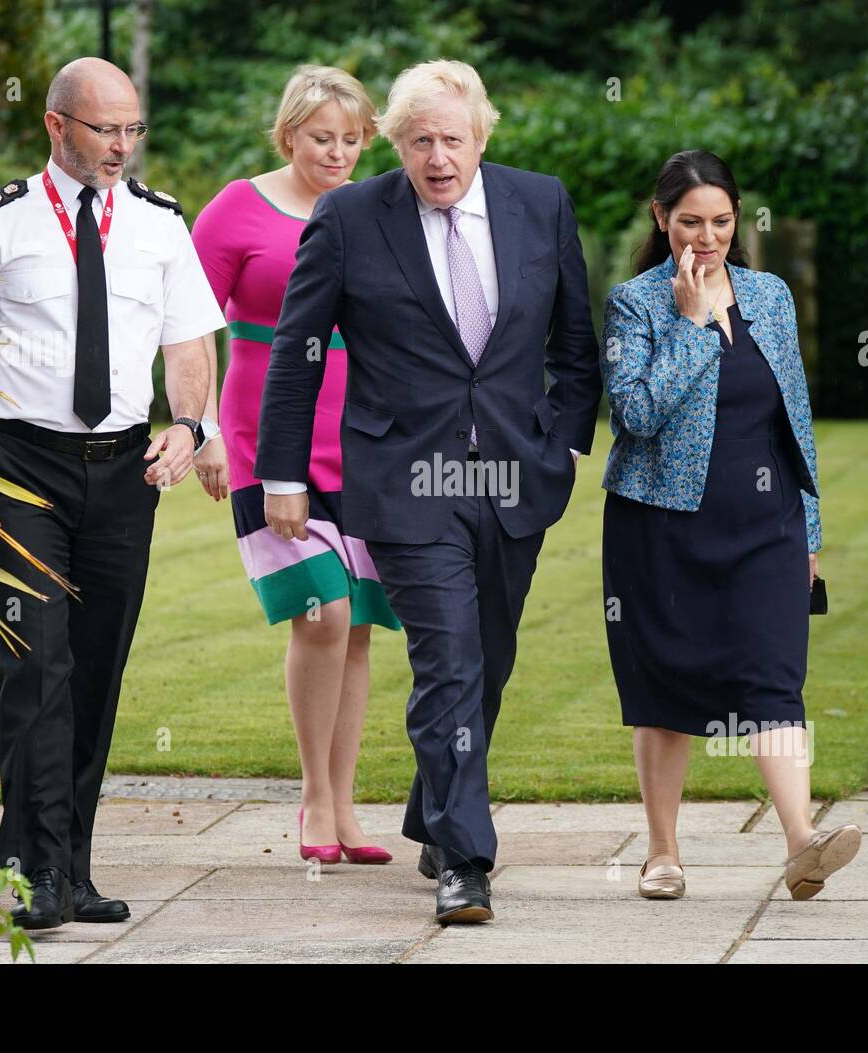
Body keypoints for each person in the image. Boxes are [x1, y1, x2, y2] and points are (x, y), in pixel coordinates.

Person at [254, 59, 602, 924]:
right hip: (406, 477)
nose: (437, 157)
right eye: (418, 141)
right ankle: (464, 859)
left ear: (481, 135)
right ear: (394, 144)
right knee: (445, 654)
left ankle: (433, 810)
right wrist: (284, 475)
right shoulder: (349, 217)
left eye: (451, 138)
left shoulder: (541, 203)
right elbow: (296, 352)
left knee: (489, 655)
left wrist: (558, 449)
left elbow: (575, 348)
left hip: (514, 473)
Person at [0, 57, 225, 929]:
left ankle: (69, 870)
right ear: (56, 125)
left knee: (93, 668)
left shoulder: (161, 224)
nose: (122, 145)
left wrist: (187, 426)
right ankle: (32, 874)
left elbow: (190, 344)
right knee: (35, 665)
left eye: (132, 129)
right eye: (104, 129)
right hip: (18, 467)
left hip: (125, 472)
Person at [599, 149, 861, 903]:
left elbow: (795, 420)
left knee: (776, 677)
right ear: (660, 218)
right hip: (661, 529)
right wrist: (689, 325)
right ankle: (662, 853)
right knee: (664, 687)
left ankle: (802, 841)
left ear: (736, 219)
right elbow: (638, 417)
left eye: (720, 221)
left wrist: (810, 530)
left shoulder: (769, 296)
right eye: (690, 222)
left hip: (767, 524)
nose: (706, 237)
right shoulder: (636, 303)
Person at [190, 66, 397, 866]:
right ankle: (313, 795)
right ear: (287, 136)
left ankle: (346, 808)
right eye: (322, 138)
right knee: (323, 611)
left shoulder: (376, 208)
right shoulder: (235, 209)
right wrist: (202, 427)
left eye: (351, 139)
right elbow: (189, 326)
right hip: (266, 437)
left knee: (359, 630)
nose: (339, 153)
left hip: (366, 441)